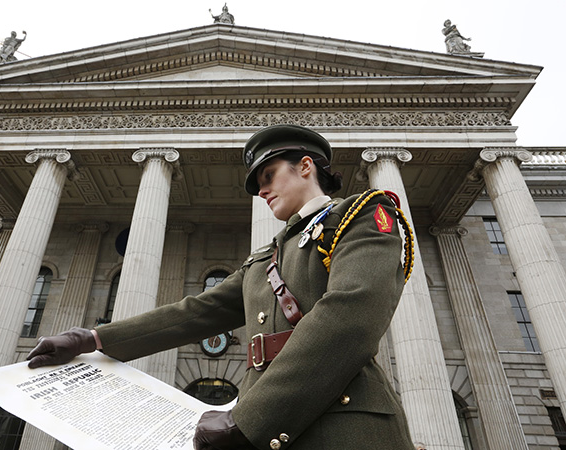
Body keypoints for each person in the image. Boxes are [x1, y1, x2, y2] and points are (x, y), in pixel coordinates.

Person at [28, 124, 415, 449]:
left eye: (267, 176)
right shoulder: (267, 257)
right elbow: (197, 312)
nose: (261, 191)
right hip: (263, 426)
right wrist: (93, 338)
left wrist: (248, 420)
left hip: (342, 424)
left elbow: (350, 316)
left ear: (306, 166)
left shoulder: (361, 215)